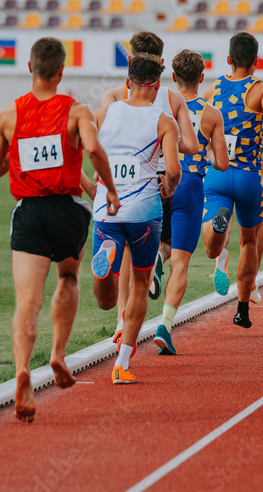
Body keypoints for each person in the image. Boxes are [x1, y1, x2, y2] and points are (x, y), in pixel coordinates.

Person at [0, 37, 120, 422]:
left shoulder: (8, 116)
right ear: (61, 72)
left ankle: (22, 371)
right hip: (68, 211)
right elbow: (93, 151)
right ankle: (58, 354)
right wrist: (108, 189)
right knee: (68, 277)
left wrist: (20, 152)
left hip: (28, 212)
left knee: (27, 301)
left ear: (30, 68)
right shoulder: (77, 111)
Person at [100, 31, 199, 347]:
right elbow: (193, 145)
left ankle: (120, 320)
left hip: (118, 183)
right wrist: (164, 141)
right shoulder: (172, 98)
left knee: (125, 254)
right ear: (161, 63)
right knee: (152, 252)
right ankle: (133, 326)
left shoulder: (113, 96)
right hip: (157, 183)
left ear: (131, 61)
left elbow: (101, 141)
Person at [88, 53, 181, 383]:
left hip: (107, 211)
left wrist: (94, 188)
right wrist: (167, 187)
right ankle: (122, 364)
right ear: (156, 87)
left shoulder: (103, 113)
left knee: (106, 300)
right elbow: (173, 170)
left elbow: (87, 153)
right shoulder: (163, 121)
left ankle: (107, 258)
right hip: (144, 215)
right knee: (140, 284)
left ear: (128, 83)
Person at [153, 50, 229, 354]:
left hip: (158, 182)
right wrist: (206, 153)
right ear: (201, 78)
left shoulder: (163, 103)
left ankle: (156, 258)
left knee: (159, 246)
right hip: (191, 185)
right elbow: (222, 163)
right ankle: (164, 326)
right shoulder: (212, 114)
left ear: (173, 77)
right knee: (181, 263)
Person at [202, 32, 263, 328]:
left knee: (211, 246)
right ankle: (242, 309)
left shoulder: (211, 90)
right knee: (249, 241)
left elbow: (200, 131)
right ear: (256, 62)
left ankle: (219, 236)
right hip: (249, 177)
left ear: (229, 60)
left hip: (217, 172)